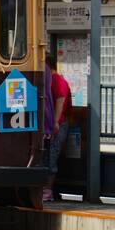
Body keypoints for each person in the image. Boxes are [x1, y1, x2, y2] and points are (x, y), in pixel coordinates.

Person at [43, 52, 72, 203]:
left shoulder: (56, 80)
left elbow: (60, 100)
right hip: (54, 124)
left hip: (57, 125)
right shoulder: (53, 79)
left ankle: (47, 192)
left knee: (51, 157)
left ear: (47, 64)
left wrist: (55, 122)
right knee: (48, 156)